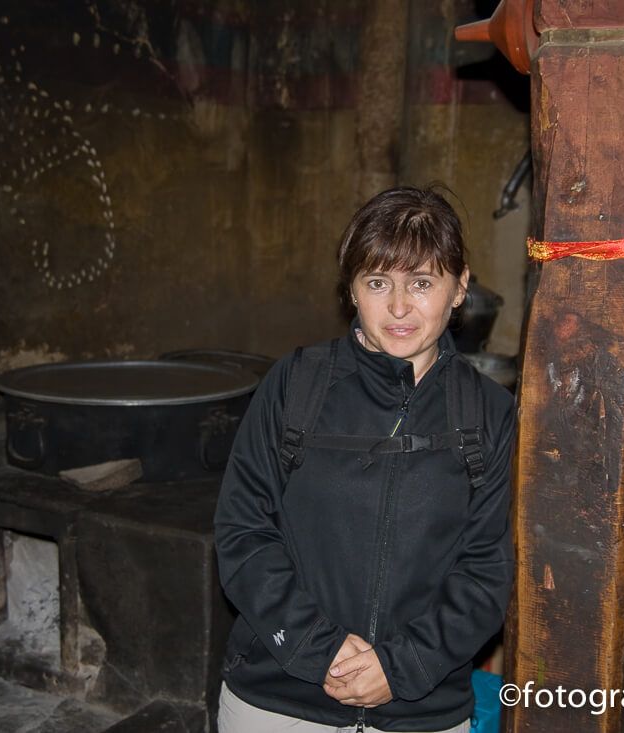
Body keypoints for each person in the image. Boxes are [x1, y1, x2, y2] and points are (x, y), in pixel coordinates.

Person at [214, 186, 516, 733]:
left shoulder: (489, 414)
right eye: (378, 283)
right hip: (278, 700)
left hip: (420, 709)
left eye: (421, 283)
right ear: (352, 290)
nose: (398, 308)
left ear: (460, 288)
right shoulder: (297, 384)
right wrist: (315, 646)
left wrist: (400, 666)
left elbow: (486, 573)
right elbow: (243, 532)